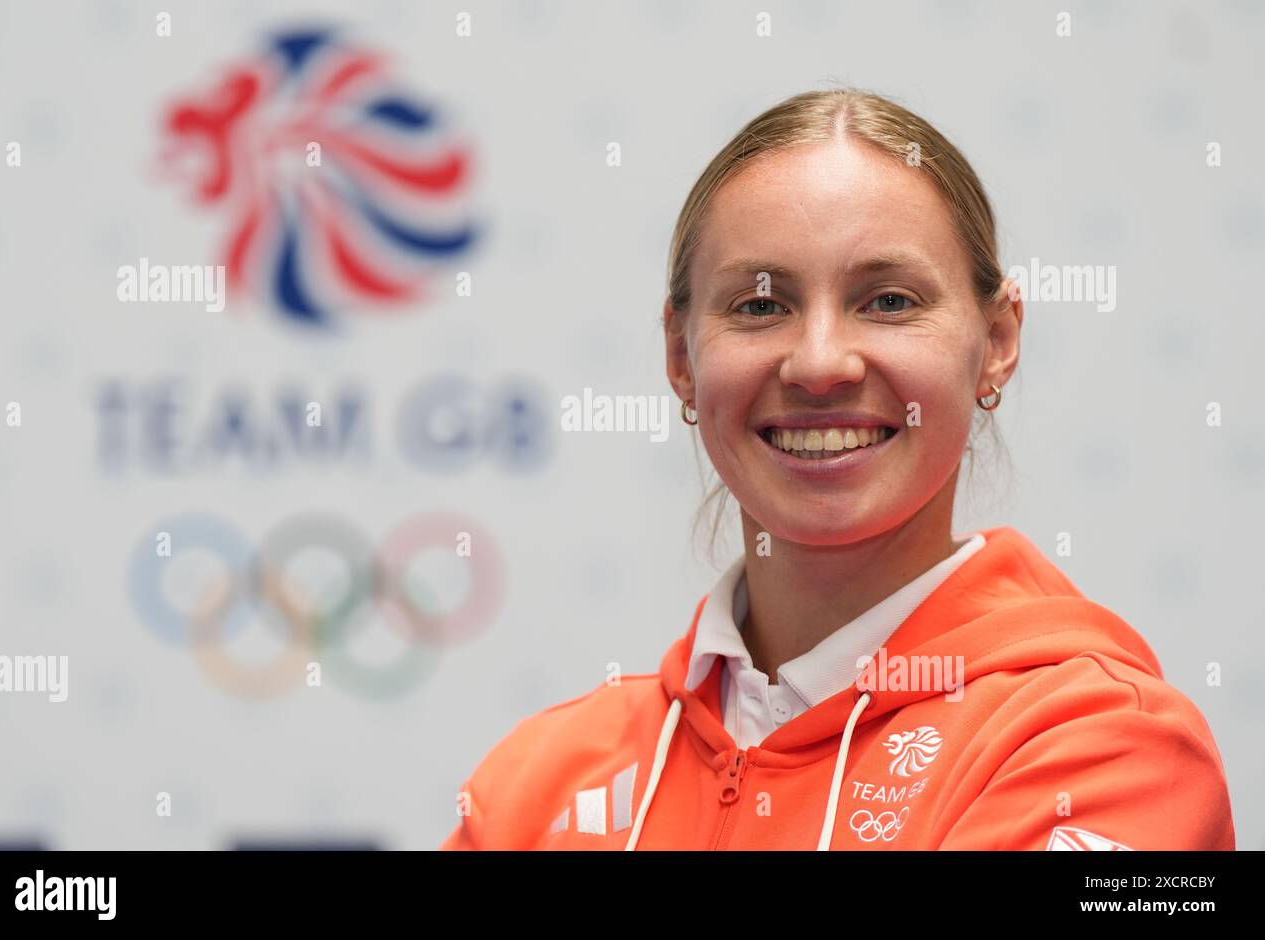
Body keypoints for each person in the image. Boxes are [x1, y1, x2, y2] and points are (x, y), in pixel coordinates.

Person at [440, 88, 1235, 850]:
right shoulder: (537, 786)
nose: (820, 363)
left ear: (996, 341)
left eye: (888, 301)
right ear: (680, 356)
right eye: (760, 305)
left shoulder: (1109, 750)